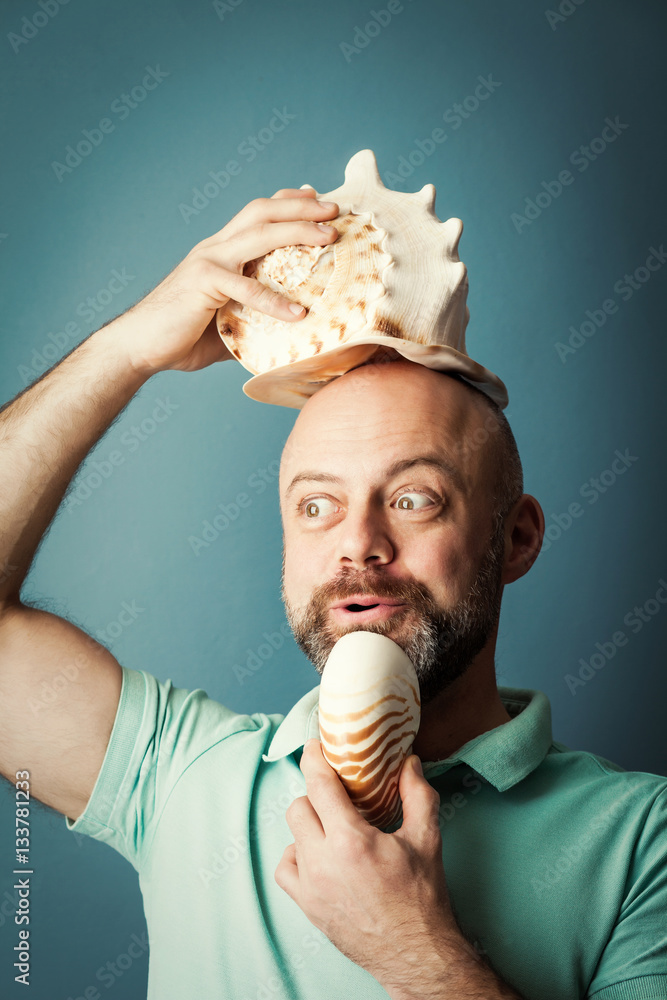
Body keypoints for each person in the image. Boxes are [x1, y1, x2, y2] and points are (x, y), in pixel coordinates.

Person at [0, 187, 665, 1000]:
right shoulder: (183, 775)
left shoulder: (643, 845)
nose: (358, 543)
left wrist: (413, 949)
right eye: (316, 506)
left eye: (414, 498)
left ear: (516, 537)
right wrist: (128, 347)